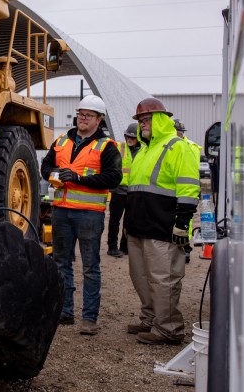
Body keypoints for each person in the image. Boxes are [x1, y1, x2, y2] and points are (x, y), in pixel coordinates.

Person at [41, 95, 122, 336]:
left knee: (90, 267)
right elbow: (45, 167)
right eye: (80, 114)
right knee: (61, 264)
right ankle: (65, 312)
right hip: (62, 212)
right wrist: (54, 174)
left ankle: (89, 318)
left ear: (99, 120)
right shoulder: (62, 141)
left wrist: (78, 179)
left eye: (88, 115)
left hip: (89, 214)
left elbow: (113, 178)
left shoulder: (107, 147)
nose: (83, 118)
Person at [125, 98, 200, 345]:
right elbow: (135, 190)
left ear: (160, 120)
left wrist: (182, 222)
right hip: (139, 227)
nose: (142, 124)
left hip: (163, 227)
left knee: (163, 279)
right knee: (141, 277)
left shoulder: (178, 147)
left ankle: (169, 328)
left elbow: (188, 188)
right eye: (140, 121)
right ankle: (150, 319)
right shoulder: (144, 149)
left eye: (146, 119)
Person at [106, 123, 140, 258]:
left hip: (133, 192)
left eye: (133, 137)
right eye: (128, 136)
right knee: (114, 221)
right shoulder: (119, 148)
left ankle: (124, 247)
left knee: (129, 221)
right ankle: (112, 247)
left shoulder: (143, 151)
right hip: (118, 191)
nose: (130, 139)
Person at [174, 117, 202, 263]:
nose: (179, 134)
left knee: (185, 220)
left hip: (185, 187)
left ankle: (185, 248)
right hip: (187, 186)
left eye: (180, 132)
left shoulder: (188, 147)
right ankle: (183, 248)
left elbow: (192, 170)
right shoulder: (191, 146)